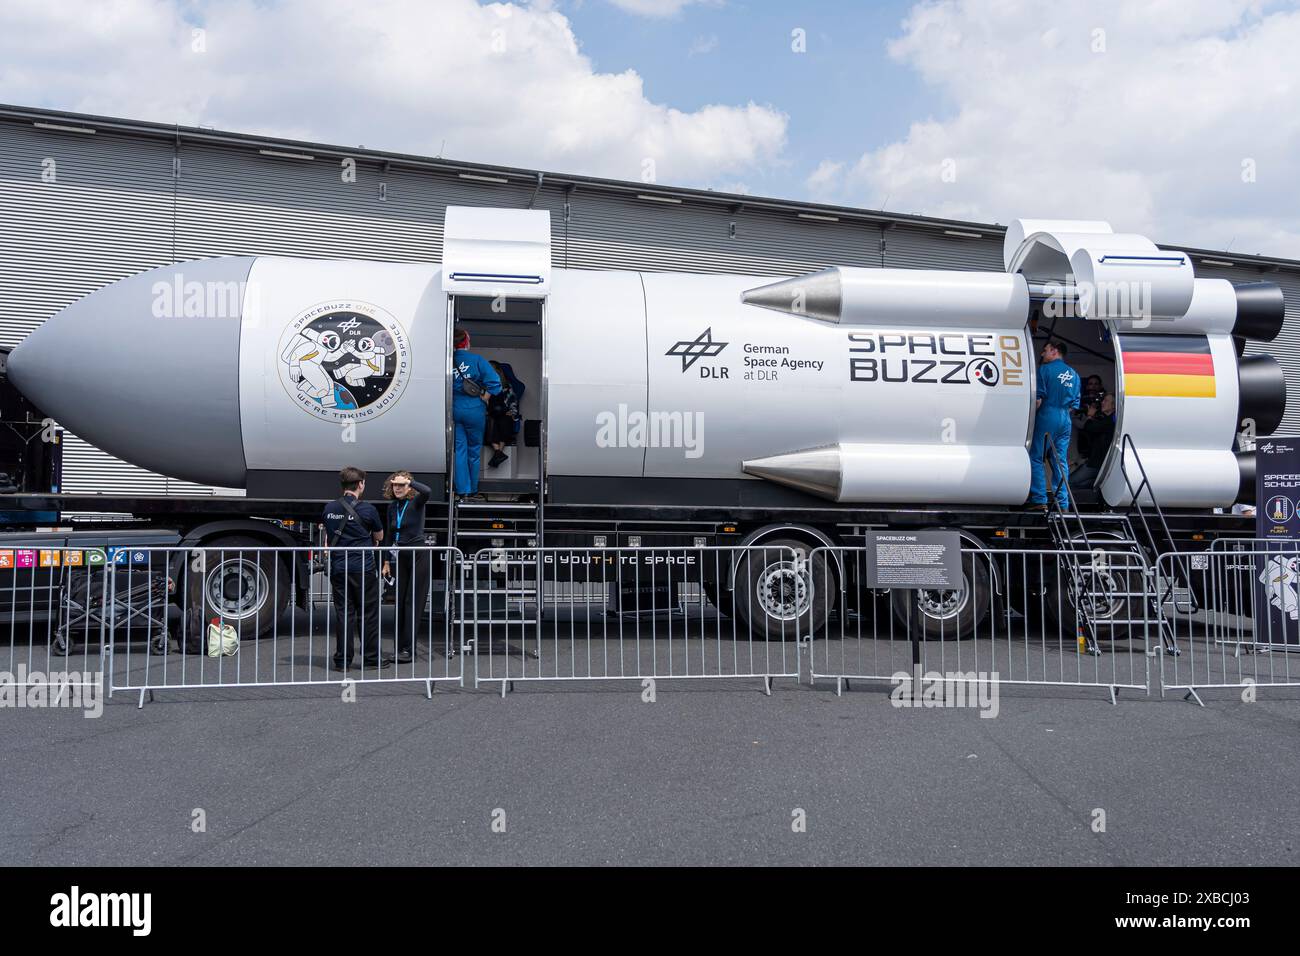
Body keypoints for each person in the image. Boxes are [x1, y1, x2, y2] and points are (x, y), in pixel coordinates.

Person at [323, 466, 388, 671]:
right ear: (360, 484)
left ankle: (342, 661)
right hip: (363, 568)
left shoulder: (329, 508)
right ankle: (371, 658)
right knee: (368, 613)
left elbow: (329, 535)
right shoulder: (368, 509)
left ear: (343, 485)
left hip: (339, 567)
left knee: (344, 613)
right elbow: (379, 536)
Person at [381, 470, 432, 664]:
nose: (398, 488)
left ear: (409, 487)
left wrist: (410, 481)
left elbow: (427, 491)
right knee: (400, 602)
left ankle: (409, 650)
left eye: (401, 485)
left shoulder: (417, 502)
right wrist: (386, 561)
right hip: (400, 555)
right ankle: (400, 648)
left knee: (412, 602)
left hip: (418, 554)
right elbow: (388, 535)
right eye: (395, 485)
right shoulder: (392, 507)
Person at [1028, 340, 1081, 511]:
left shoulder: (1044, 370)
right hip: (1065, 418)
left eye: (1045, 350)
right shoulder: (1074, 374)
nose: (1042, 354)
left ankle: (1039, 499)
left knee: (1036, 457)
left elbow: (1038, 400)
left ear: (1054, 351)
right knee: (1060, 461)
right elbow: (1074, 405)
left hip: (1047, 415)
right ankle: (1062, 504)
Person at [452, 328, 501, 500]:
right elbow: (495, 383)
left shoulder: (447, 360)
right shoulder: (477, 359)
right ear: (466, 341)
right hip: (474, 409)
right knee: (473, 450)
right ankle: (472, 489)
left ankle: (462, 490)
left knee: (460, 450)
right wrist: (485, 397)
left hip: (454, 408)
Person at [1069, 392, 1115, 491]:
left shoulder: (1110, 421)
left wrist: (1089, 416)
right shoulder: (1107, 418)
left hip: (1097, 463)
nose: (1102, 402)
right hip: (1097, 461)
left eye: (1106, 401)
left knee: (1070, 481)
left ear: (1113, 406)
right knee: (1087, 483)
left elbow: (1089, 427)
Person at [483, 359, 523, 468]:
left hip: (504, 413)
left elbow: (513, 401)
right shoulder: (484, 386)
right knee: (490, 421)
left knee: (505, 421)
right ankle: (499, 453)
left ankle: (498, 453)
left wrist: (513, 412)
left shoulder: (506, 386)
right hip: (489, 413)